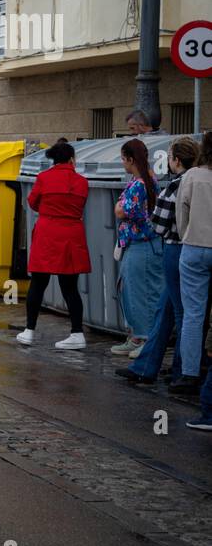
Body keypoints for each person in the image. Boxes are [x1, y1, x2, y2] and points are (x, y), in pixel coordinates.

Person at [118, 137, 199, 388]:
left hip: (176, 247)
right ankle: (147, 366)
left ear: (176, 160)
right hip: (190, 247)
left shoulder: (176, 185)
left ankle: (182, 370)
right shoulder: (199, 180)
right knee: (166, 309)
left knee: (179, 311)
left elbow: (158, 223)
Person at [18, 142, 91, 349]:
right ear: (71, 159)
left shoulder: (43, 178)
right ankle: (77, 333)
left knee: (38, 283)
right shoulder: (82, 182)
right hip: (71, 234)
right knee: (70, 287)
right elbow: (80, 204)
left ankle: (29, 331)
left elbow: (32, 202)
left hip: (47, 233)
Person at [113, 138, 163, 357]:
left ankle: (147, 340)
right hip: (137, 244)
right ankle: (137, 336)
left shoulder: (141, 184)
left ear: (131, 160)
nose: (122, 163)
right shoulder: (144, 181)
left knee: (144, 293)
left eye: (123, 159)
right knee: (131, 291)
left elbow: (123, 211)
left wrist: (119, 208)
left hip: (143, 245)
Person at [180, 132, 212, 430]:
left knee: (193, 313)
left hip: (193, 246)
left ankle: (190, 372)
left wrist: (186, 236)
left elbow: (183, 212)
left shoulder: (192, 176)